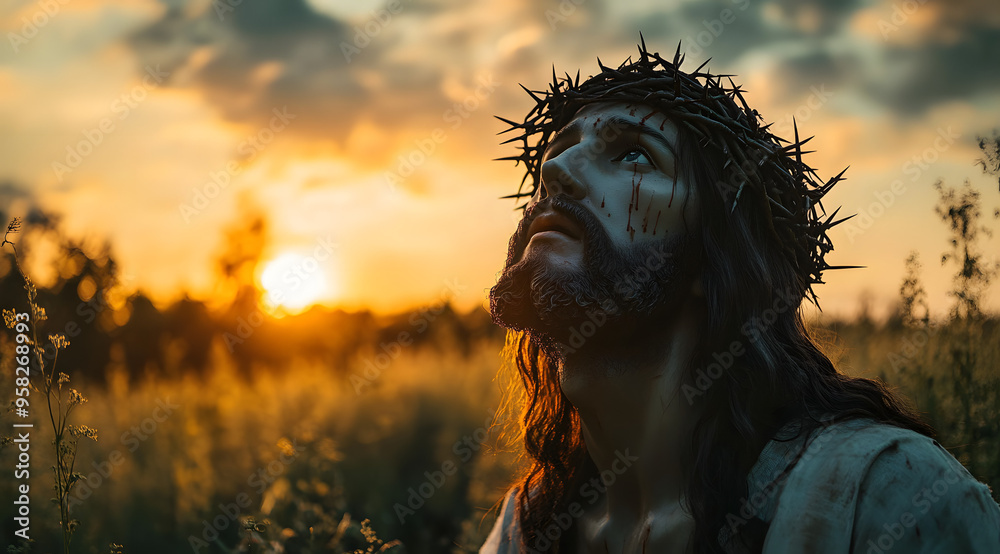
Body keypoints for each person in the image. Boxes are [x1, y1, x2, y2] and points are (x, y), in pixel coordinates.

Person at [480, 40, 1000, 554]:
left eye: (634, 154)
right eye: (557, 150)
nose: (556, 170)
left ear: (716, 256)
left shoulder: (885, 500)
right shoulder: (528, 528)